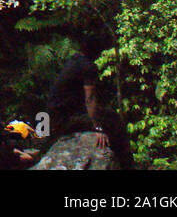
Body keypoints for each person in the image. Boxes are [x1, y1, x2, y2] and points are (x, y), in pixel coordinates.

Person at [46, 32, 134, 169]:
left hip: (55, 117)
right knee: (114, 122)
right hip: (64, 120)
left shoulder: (74, 61)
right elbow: (90, 99)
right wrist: (97, 127)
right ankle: (126, 165)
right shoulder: (88, 67)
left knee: (110, 116)